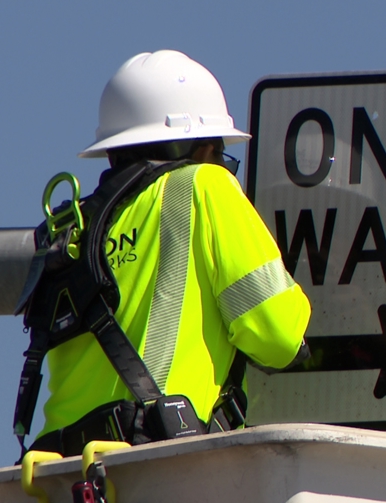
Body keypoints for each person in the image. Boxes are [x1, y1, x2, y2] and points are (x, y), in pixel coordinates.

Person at [26, 50, 311, 455]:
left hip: (58, 469)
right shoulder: (203, 186)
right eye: (221, 155)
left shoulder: (72, 226)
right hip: (157, 465)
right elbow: (278, 336)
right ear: (201, 148)